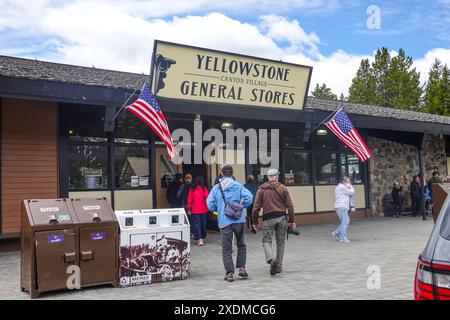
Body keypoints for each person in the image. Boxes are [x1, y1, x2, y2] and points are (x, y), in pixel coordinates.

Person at [206, 164, 253, 282]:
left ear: (221, 173)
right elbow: (249, 197)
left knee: (226, 248)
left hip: (224, 221)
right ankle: (242, 269)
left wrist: (218, 210)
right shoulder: (238, 185)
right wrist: (242, 206)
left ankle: (230, 273)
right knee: (241, 245)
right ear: (232, 174)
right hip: (239, 219)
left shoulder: (216, 187)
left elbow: (209, 203)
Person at [252, 169, 295, 276]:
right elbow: (290, 205)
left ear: (268, 177)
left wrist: (255, 221)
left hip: (268, 218)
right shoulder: (283, 188)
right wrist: (292, 220)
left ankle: (271, 259)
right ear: (276, 176)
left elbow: (256, 208)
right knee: (280, 243)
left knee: (266, 241)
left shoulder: (261, 189)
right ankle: (279, 265)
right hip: (282, 218)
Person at [187, 176, 209, 246]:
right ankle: (202, 238)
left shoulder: (192, 189)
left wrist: (189, 208)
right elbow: (207, 198)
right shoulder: (204, 189)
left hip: (195, 210)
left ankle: (199, 239)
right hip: (204, 209)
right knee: (203, 224)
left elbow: (189, 199)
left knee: (197, 225)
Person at [332, 176, 355, 243]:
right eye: (347, 181)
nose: (349, 182)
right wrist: (350, 185)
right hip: (342, 207)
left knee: (346, 221)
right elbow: (352, 192)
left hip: (340, 207)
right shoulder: (342, 187)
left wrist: (348, 185)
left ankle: (337, 233)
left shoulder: (340, 187)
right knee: (345, 223)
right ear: (343, 182)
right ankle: (342, 237)